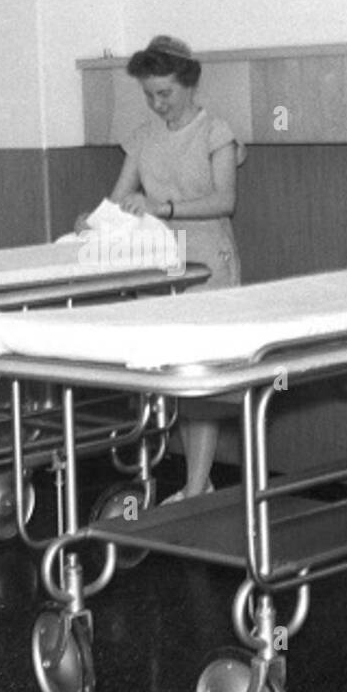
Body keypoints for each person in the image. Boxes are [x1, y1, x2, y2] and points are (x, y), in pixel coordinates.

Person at [87, 34, 242, 502]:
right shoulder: (143, 138)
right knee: (166, 376)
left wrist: (163, 208)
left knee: (201, 377)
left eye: (165, 94)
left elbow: (225, 200)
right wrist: (94, 220)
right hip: (160, 267)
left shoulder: (216, 132)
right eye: (149, 95)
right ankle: (188, 483)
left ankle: (197, 486)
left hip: (209, 263)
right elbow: (119, 198)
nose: (157, 104)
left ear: (189, 85)